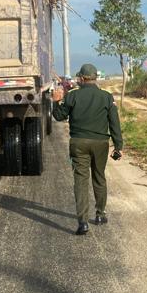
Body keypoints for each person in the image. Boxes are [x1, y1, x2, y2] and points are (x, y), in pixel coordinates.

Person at [52, 63, 123, 235]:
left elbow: (59, 116)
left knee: (81, 181)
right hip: (100, 144)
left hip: (79, 143)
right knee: (99, 177)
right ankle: (100, 214)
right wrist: (118, 146)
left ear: (82, 78)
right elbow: (114, 123)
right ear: (95, 78)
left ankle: (83, 222)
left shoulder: (73, 96)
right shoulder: (106, 97)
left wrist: (55, 101)